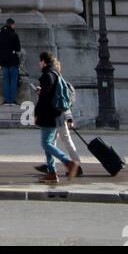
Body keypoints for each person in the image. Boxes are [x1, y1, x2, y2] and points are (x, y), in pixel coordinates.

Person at [33, 50, 79, 185]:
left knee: (46, 143)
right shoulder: (55, 73)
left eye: (40, 61)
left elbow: (44, 99)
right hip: (56, 114)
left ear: (43, 61)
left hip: (49, 115)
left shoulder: (47, 75)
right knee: (49, 144)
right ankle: (52, 172)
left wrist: (36, 113)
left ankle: (68, 162)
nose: (39, 63)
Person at [0, 16, 21, 104]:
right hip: (13, 60)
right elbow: (18, 48)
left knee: (5, 80)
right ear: (12, 25)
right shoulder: (14, 34)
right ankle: (12, 100)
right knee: (13, 80)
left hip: (3, 60)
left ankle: (6, 99)